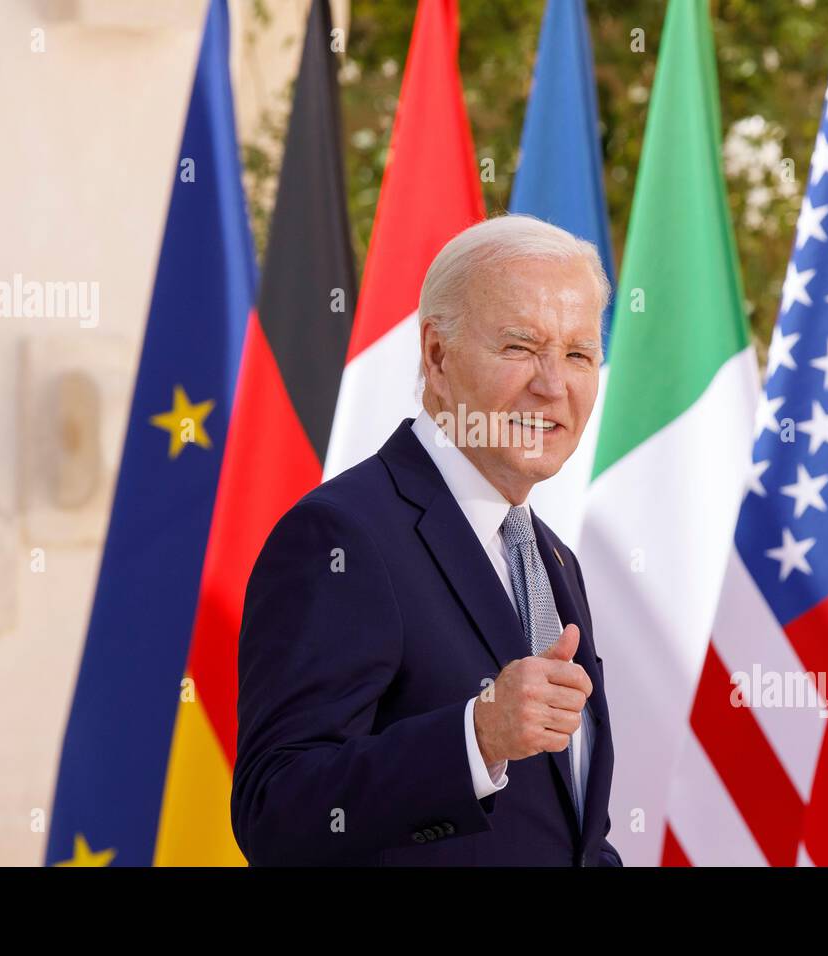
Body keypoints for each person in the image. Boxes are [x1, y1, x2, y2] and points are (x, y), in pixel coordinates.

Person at [231, 213, 622, 866]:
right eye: (521, 347)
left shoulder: (554, 559)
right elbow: (277, 810)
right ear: (437, 355)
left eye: (578, 354)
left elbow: (568, 837)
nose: (553, 385)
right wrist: (477, 738)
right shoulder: (344, 535)